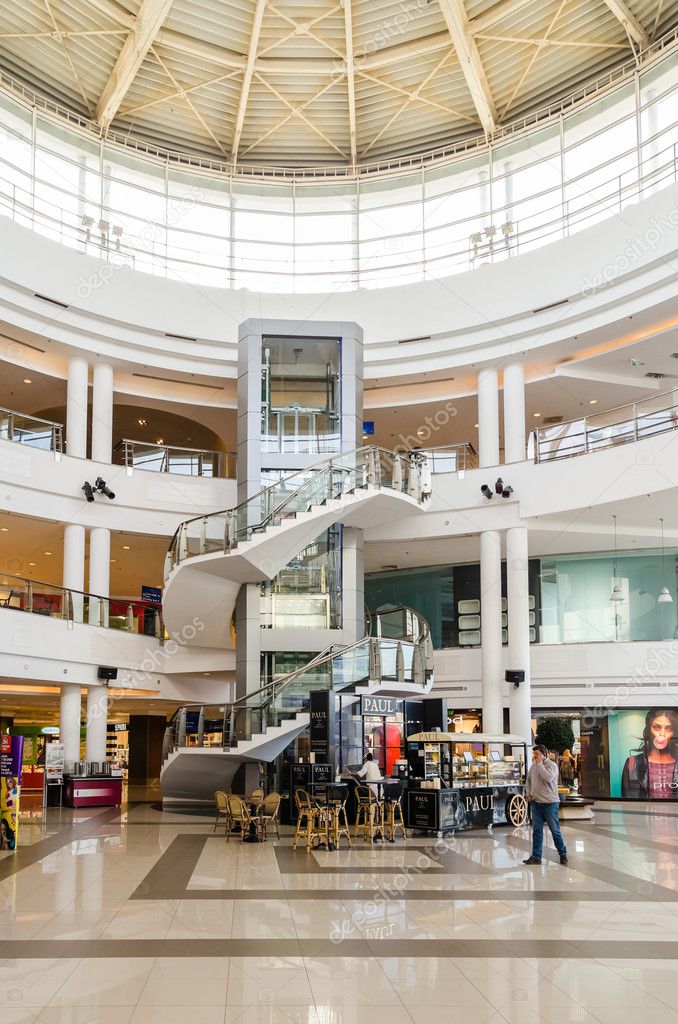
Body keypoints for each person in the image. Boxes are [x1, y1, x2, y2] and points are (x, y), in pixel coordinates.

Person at [523, 744, 568, 866]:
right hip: (536, 803)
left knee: (554, 830)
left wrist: (539, 765)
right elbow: (529, 781)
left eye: (537, 754)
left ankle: (562, 853)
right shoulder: (533, 767)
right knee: (537, 831)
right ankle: (536, 856)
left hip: (550, 803)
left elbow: (548, 778)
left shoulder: (552, 765)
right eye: (534, 754)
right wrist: (528, 794)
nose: (535, 756)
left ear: (544, 754)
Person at [621, 709, 678, 799]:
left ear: (674, 732)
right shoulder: (632, 763)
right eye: (657, 727)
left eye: (668, 728)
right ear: (648, 730)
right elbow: (628, 799)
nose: (662, 734)